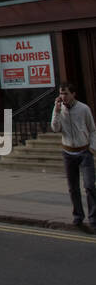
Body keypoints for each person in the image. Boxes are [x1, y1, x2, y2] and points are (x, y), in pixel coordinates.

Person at [51, 82, 96, 230]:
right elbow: (55, 129)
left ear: (73, 94)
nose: (63, 97)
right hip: (68, 153)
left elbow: (93, 130)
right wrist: (57, 112)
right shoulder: (59, 109)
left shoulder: (84, 109)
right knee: (73, 188)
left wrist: (92, 148)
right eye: (61, 94)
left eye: (66, 94)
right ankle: (78, 216)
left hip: (84, 152)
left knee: (89, 186)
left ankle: (93, 217)